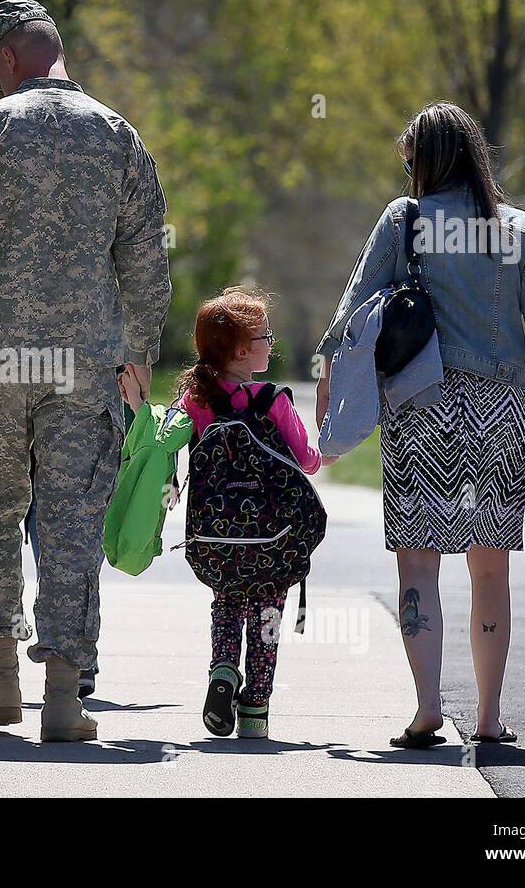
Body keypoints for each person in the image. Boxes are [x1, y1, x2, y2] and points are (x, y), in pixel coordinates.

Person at [0, 0, 171, 742]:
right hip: (84, 361)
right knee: (70, 520)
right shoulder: (118, 136)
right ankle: (63, 696)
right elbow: (148, 264)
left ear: (4, 60)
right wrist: (138, 357)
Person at [313, 101, 525, 747]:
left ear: (424, 159)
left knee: (419, 564)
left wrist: (327, 379)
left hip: (421, 404)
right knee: (490, 569)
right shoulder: (518, 229)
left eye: (410, 159)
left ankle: (428, 705)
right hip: (498, 409)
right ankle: (490, 716)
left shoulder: (403, 219)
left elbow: (353, 310)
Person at [148, 286, 329, 738]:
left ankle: (223, 673)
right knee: (267, 615)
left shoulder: (196, 399)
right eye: (266, 336)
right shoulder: (272, 400)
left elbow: (164, 442)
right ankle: (255, 712)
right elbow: (306, 460)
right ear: (243, 350)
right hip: (273, 542)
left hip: (215, 538)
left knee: (227, 604)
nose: (273, 343)